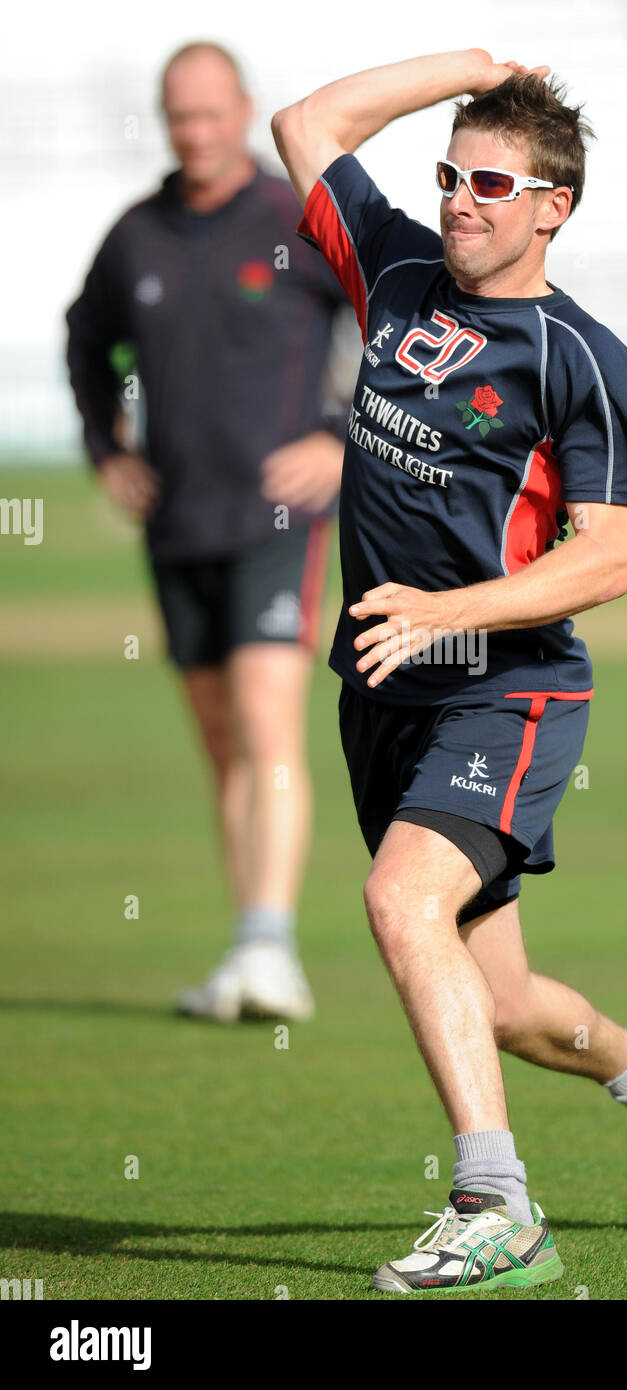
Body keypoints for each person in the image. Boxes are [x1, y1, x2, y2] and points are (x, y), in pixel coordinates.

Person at [271, 48, 627, 1294]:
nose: (458, 199)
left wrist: (451, 610)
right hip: (382, 691)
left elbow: (609, 557)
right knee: (504, 1001)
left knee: (398, 904)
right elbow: (306, 119)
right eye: (449, 175)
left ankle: (498, 1207)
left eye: (491, 182)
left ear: (554, 208)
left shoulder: (581, 360)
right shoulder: (395, 272)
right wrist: (466, 75)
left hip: (509, 689)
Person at [67, 42, 349, 1023]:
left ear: (242, 110)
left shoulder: (291, 220)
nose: (194, 134)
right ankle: (247, 946)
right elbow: (82, 336)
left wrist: (340, 438)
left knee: (270, 719)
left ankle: (273, 947)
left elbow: (391, 323)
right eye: (177, 117)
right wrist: (107, 447)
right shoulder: (137, 235)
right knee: (223, 741)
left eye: (209, 115)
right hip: (176, 520)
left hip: (279, 516)